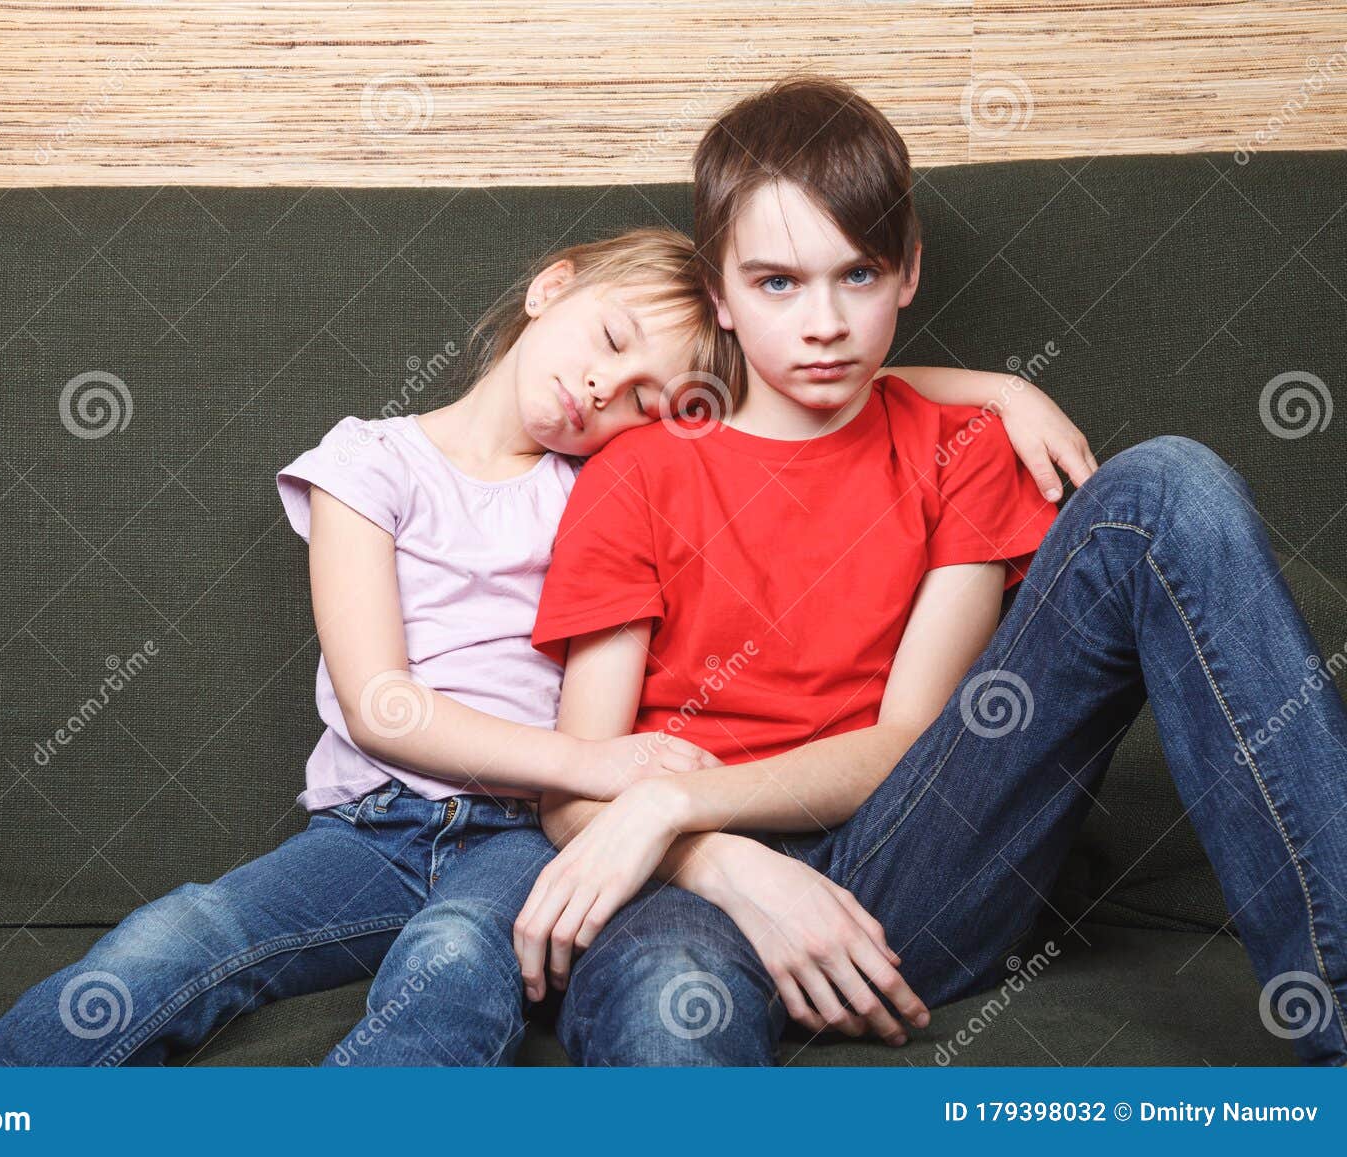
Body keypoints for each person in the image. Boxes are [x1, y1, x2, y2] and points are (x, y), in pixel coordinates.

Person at [0, 225, 1095, 1067]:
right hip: (375, 821)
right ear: (552, 288)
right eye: (606, 340)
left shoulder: (616, 481)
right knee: (182, 929)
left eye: (646, 393)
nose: (603, 388)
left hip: (527, 845)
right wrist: (601, 766)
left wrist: (993, 390)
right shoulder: (372, 462)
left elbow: (813, 392)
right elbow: (382, 706)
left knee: (451, 965)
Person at [511, 76, 1347, 1068]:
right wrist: (714, 854)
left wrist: (679, 799)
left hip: (915, 859)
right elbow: (575, 789)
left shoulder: (962, 451)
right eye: (776, 282)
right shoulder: (640, 472)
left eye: (855, 276)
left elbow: (906, 740)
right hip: (695, 889)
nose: (822, 323)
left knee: (1168, 485)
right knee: (665, 1001)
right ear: (720, 294)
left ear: (907, 271)